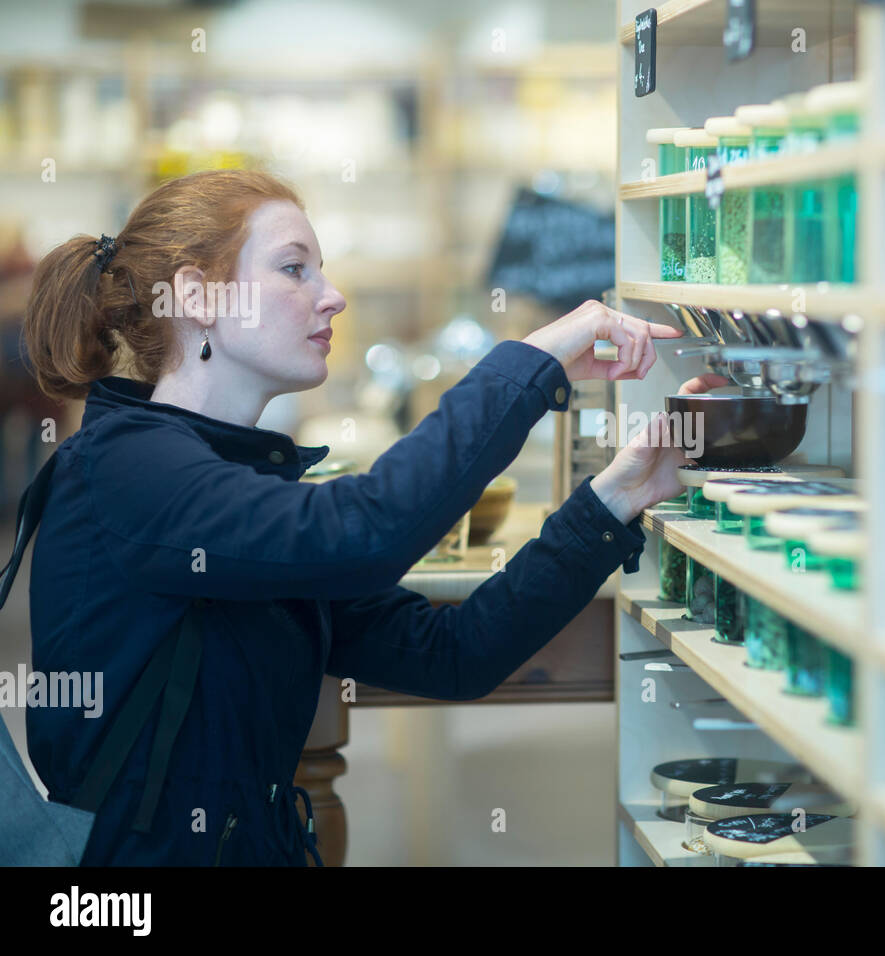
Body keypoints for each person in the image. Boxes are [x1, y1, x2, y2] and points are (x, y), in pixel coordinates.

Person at [19, 168, 697, 865]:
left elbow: (452, 654)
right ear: (195, 296)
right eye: (294, 269)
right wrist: (531, 363)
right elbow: (368, 531)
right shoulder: (129, 469)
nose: (332, 297)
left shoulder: (226, 477)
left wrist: (611, 501)